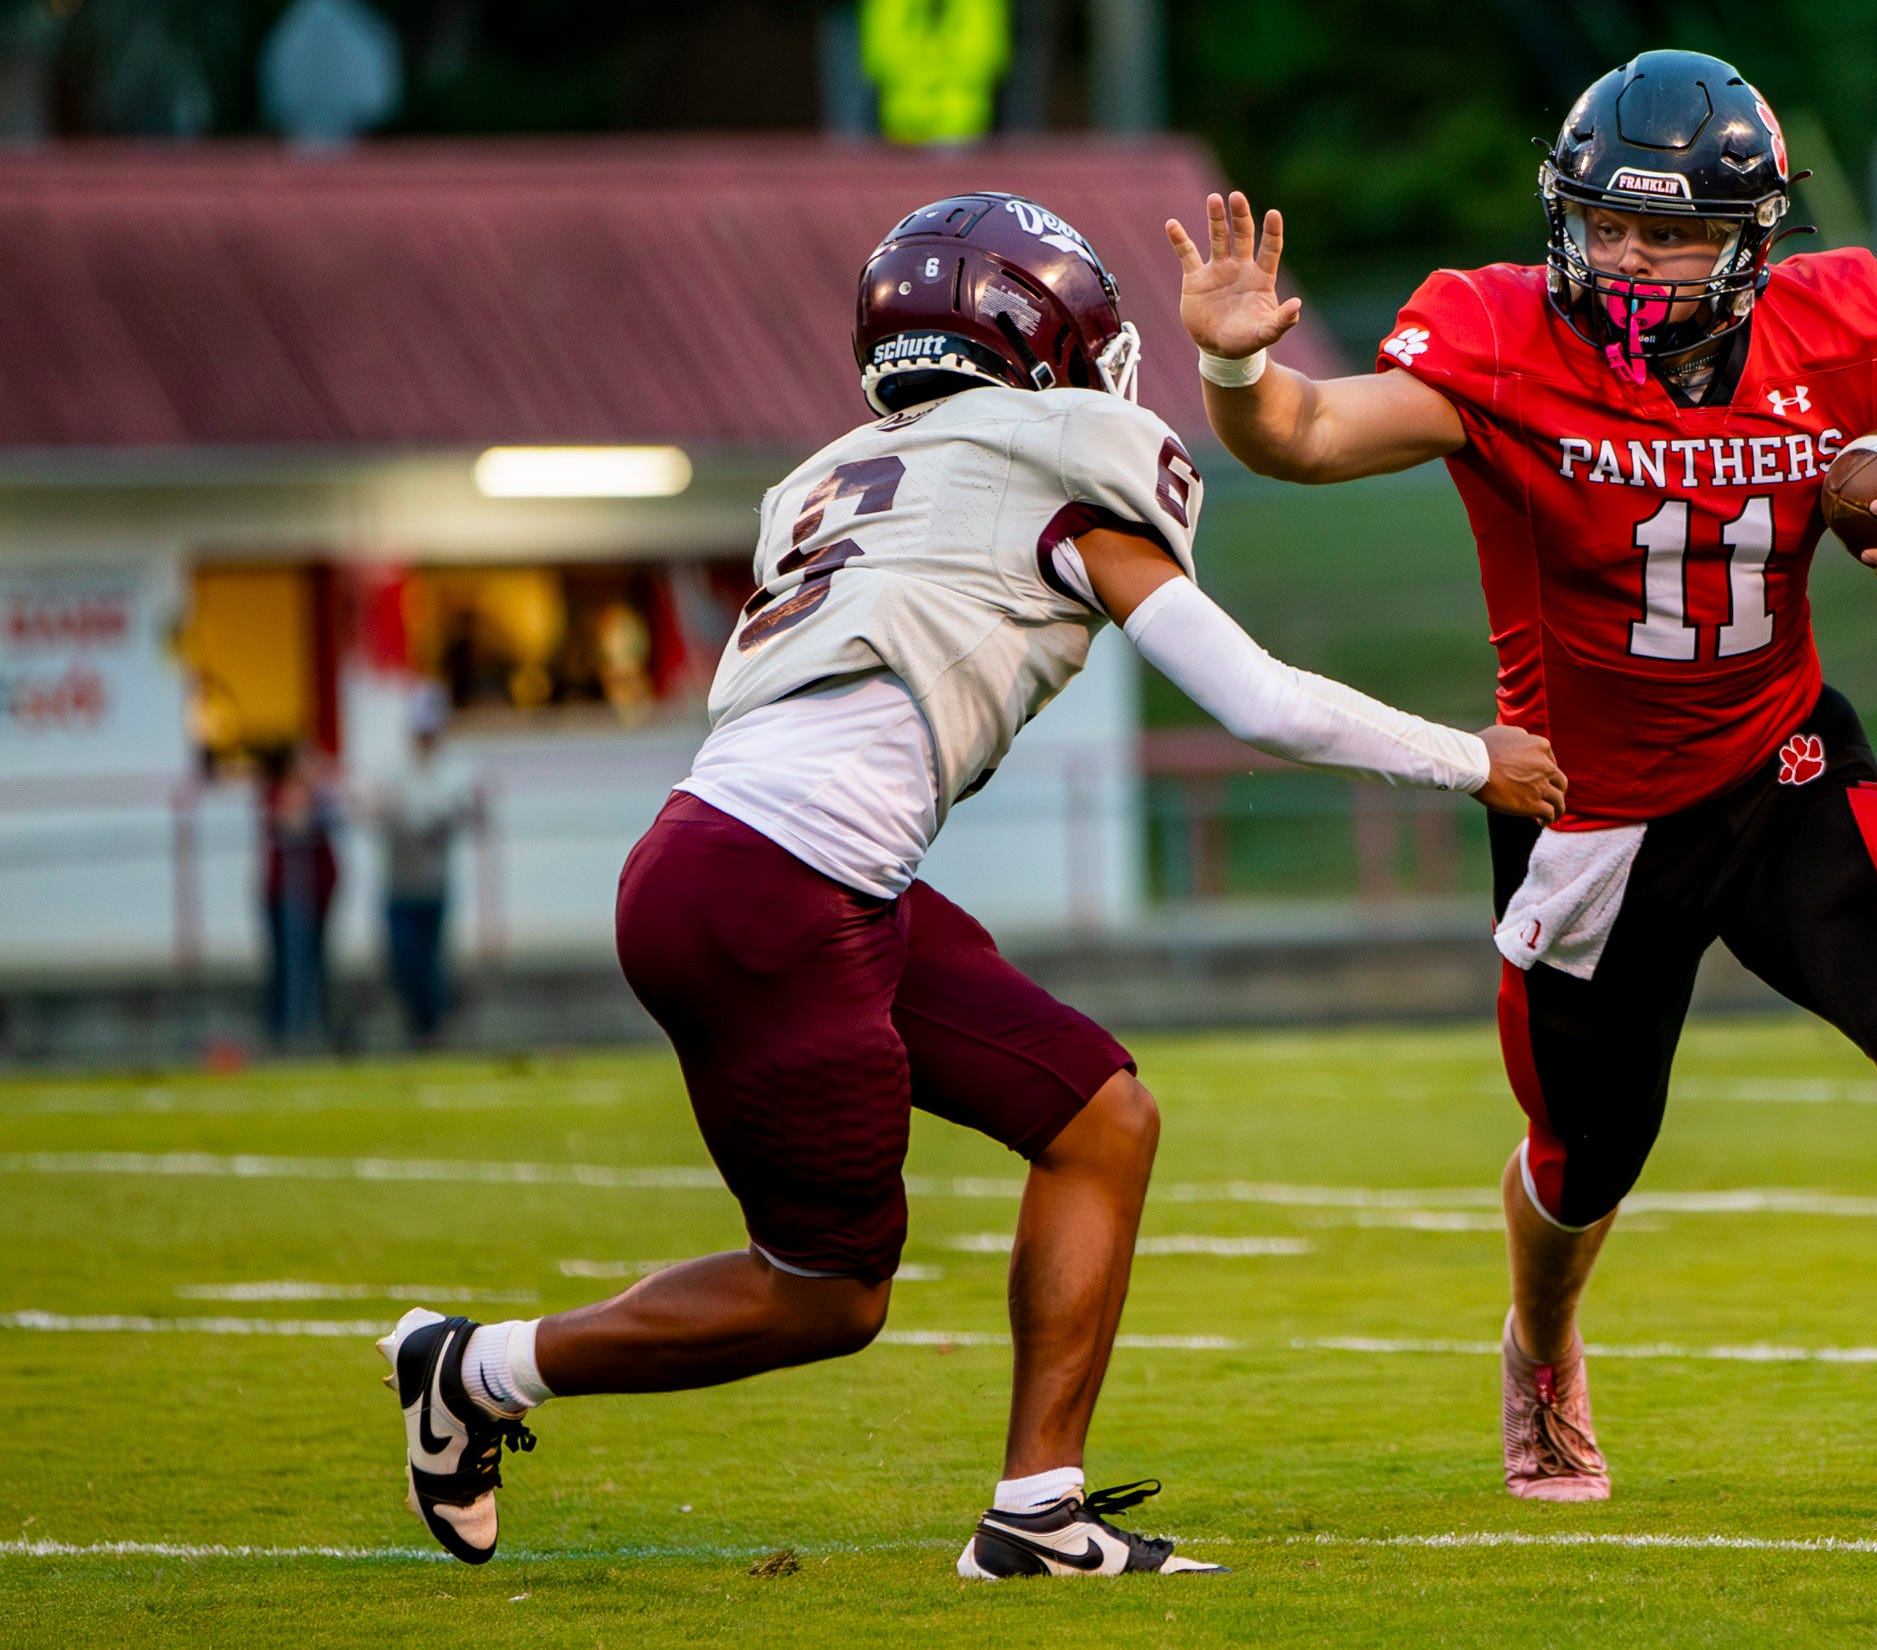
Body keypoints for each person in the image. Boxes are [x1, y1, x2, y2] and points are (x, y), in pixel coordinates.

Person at [376, 191, 1565, 1578]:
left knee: (1099, 1115)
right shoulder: (1060, 466)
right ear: (1044, 339)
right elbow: (1259, 699)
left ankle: (1037, 1511)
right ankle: (476, 1368)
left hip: (780, 867)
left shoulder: (841, 480)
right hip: (779, 883)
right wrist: (1469, 758)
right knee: (827, 1296)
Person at [1169, 50, 1877, 1506]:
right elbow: (1306, 435)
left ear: (1753, 239)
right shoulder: (1499, 338)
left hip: (1780, 763)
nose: (1635, 258)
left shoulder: (1839, 330)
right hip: (1583, 807)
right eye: (1611, 224)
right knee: (1585, 1158)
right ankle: (1540, 1344)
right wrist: (1234, 366)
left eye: (1675, 232)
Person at [372, 685, 482, 1046]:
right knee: (403, 960)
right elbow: (378, 812)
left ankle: (431, 1028)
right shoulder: (394, 769)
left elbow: (465, 814)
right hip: (399, 882)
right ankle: (417, 1022)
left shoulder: (452, 771)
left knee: (431, 962)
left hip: (433, 883)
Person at [256, 741, 339, 1049]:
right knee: (286, 963)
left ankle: (314, 1028)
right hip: (287, 893)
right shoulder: (279, 793)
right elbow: (292, 825)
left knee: (316, 963)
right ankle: (286, 1032)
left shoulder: (322, 795)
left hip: (317, 893)